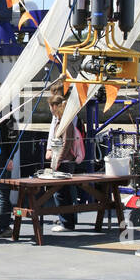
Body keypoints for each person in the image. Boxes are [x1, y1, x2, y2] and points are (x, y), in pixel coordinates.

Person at [45, 94, 78, 233]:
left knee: (61, 193)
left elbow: (66, 144)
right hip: (61, 160)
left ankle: (66, 222)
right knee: (62, 193)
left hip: (63, 161)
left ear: (55, 106)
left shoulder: (65, 122)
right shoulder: (61, 121)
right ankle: (67, 220)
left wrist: (56, 162)